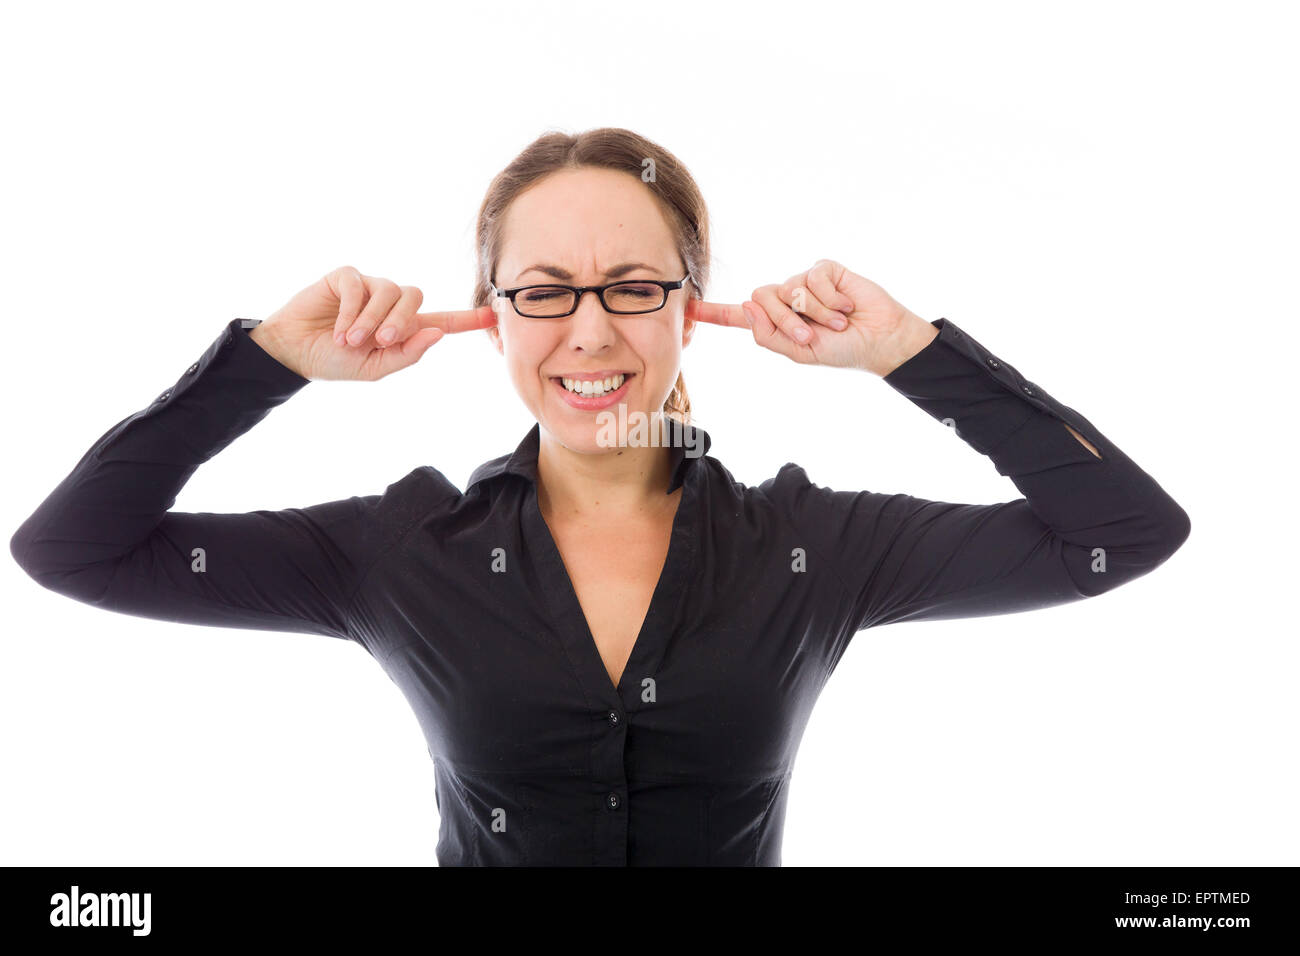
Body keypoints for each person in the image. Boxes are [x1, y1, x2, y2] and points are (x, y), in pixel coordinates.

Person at [9, 127, 1190, 866]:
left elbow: (1123, 532)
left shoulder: (810, 544)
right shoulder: (397, 548)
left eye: (632, 286)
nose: (588, 330)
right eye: (542, 290)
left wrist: (907, 349)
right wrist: (262, 363)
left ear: (690, 305)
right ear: (490, 314)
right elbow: (74, 551)